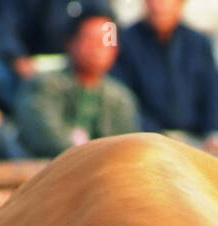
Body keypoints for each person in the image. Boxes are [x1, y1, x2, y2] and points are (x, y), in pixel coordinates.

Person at [14, 6, 140, 158]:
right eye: (90, 39)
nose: (98, 48)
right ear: (71, 42)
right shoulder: (43, 87)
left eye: (107, 41)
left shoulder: (121, 98)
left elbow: (126, 150)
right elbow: (45, 140)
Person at [111, 0, 218, 146]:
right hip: (145, 141)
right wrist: (158, 135)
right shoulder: (125, 42)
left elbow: (212, 94)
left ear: (180, 4)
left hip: (196, 141)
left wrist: (213, 132)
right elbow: (124, 99)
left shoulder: (199, 43)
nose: (160, 5)